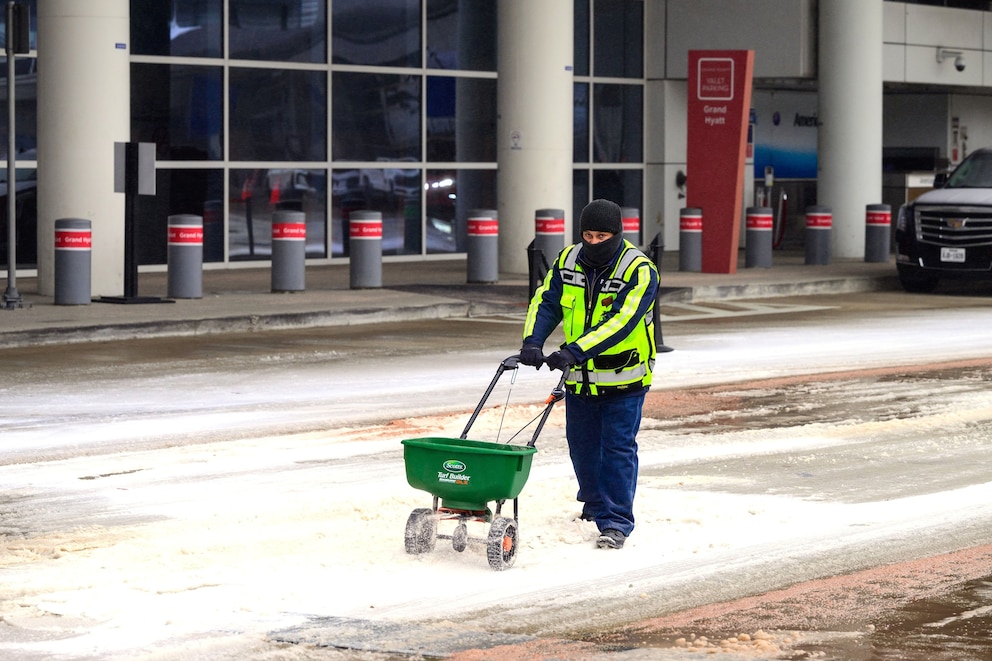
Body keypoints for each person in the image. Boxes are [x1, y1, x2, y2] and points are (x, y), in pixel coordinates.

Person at [519, 199, 659, 550]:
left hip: (624, 378)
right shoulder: (568, 260)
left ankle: (616, 522)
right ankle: (595, 506)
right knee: (582, 448)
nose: (594, 242)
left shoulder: (639, 270)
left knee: (617, 449)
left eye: (601, 236)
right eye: (588, 235)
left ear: (616, 234)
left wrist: (573, 351)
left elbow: (621, 323)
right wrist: (532, 342)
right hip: (579, 379)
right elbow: (547, 301)